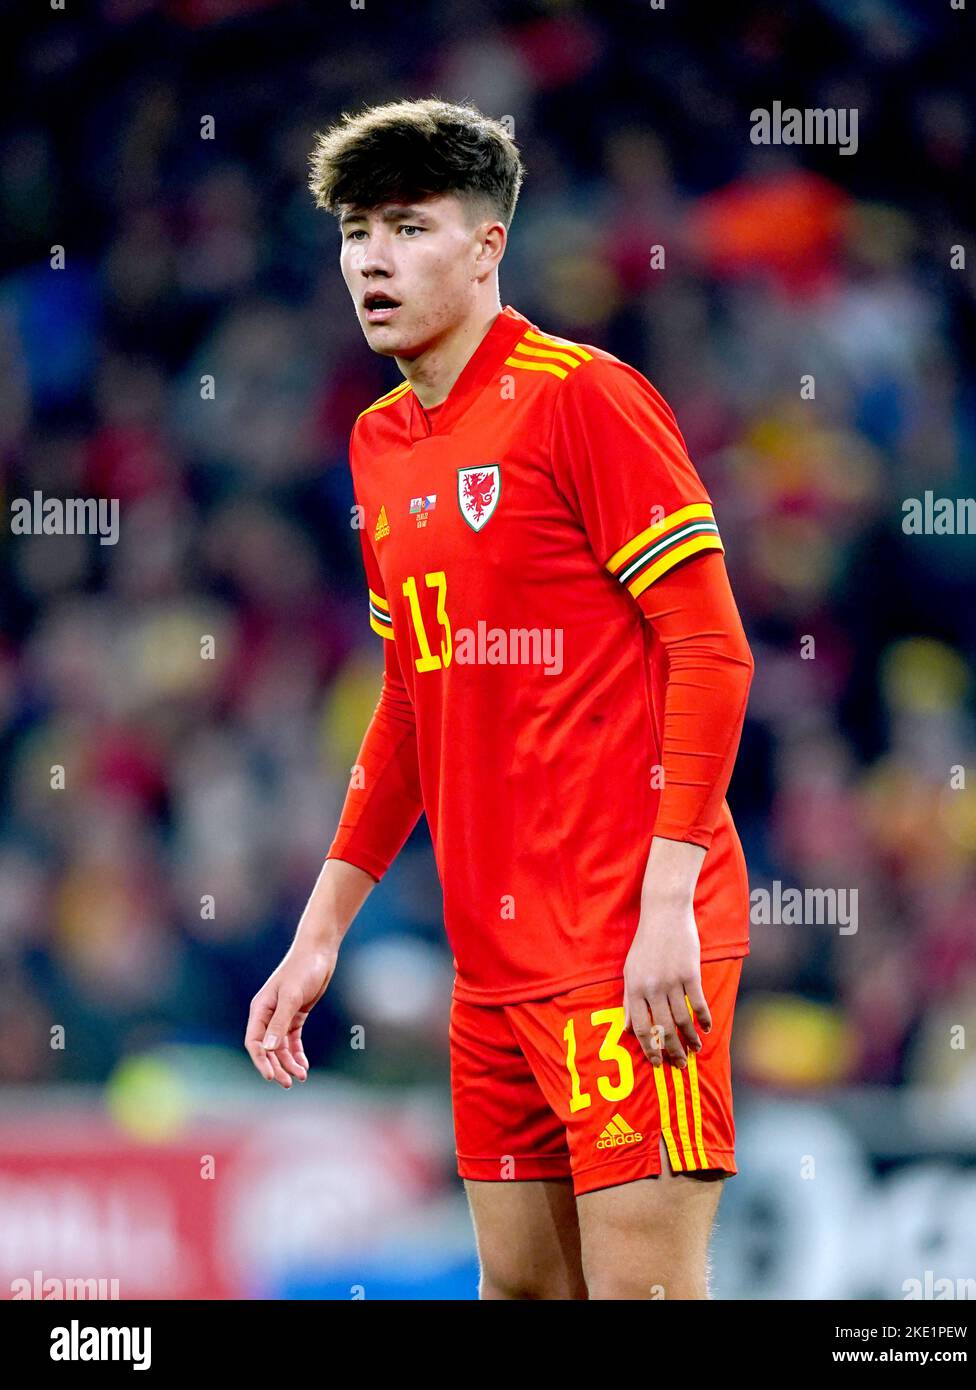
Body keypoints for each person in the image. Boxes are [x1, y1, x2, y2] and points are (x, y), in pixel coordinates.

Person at [245, 97, 754, 1300]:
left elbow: (713, 648)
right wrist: (322, 931)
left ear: (485, 249)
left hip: (628, 945)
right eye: (355, 231)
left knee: (645, 1295)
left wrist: (668, 904)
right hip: (493, 965)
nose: (369, 257)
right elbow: (413, 706)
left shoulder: (586, 399)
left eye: (407, 226)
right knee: (522, 1294)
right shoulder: (381, 443)